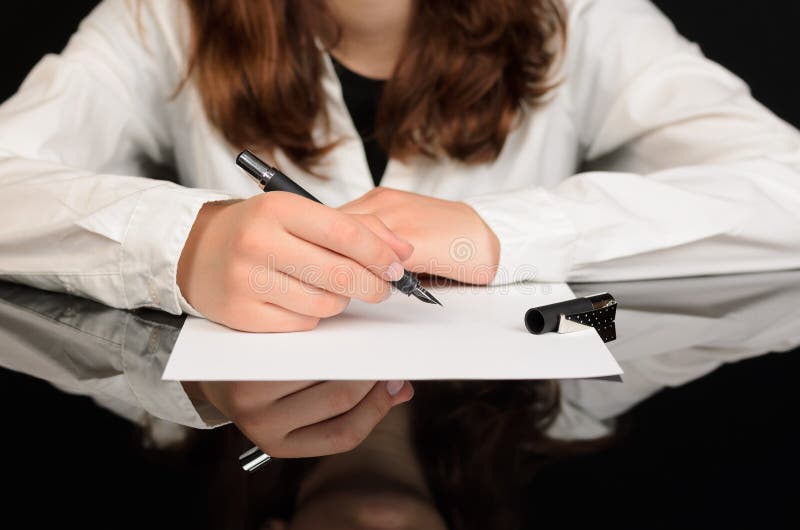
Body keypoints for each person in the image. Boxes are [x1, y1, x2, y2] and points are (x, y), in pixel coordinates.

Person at [1, 0, 799, 461]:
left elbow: (784, 186)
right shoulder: (162, 15)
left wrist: (502, 234)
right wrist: (184, 241)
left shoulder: (583, 14)